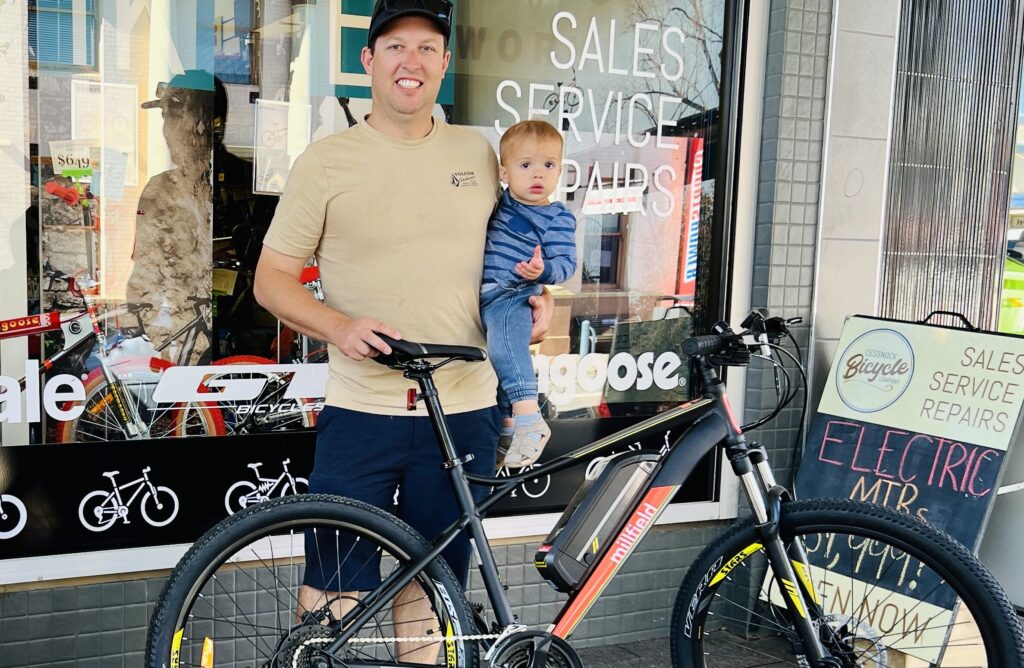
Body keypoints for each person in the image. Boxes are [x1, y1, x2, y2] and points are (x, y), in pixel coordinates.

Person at [252, 0, 553, 661]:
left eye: (425, 48)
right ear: (369, 60)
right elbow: (270, 279)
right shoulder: (326, 162)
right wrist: (338, 325)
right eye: (394, 46)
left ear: (444, 63)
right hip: (362, 410)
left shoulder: (479, 153)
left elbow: (514, 250)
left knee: (434, 587)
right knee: (333, 588)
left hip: (464, 409)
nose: (409, 61)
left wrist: (538, 298)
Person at [482, 120, 576, 468]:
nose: (538, 174)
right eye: (526, 165)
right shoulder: (500, 201)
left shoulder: (556, 217)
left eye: (549, 165)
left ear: (559, 171)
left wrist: (543, 271)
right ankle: (508, 425)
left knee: (506, 350)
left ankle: (529, 417)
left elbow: (566, 263)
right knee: (495, 361)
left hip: (514, 295)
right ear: (504, 173)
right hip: (485, 297)